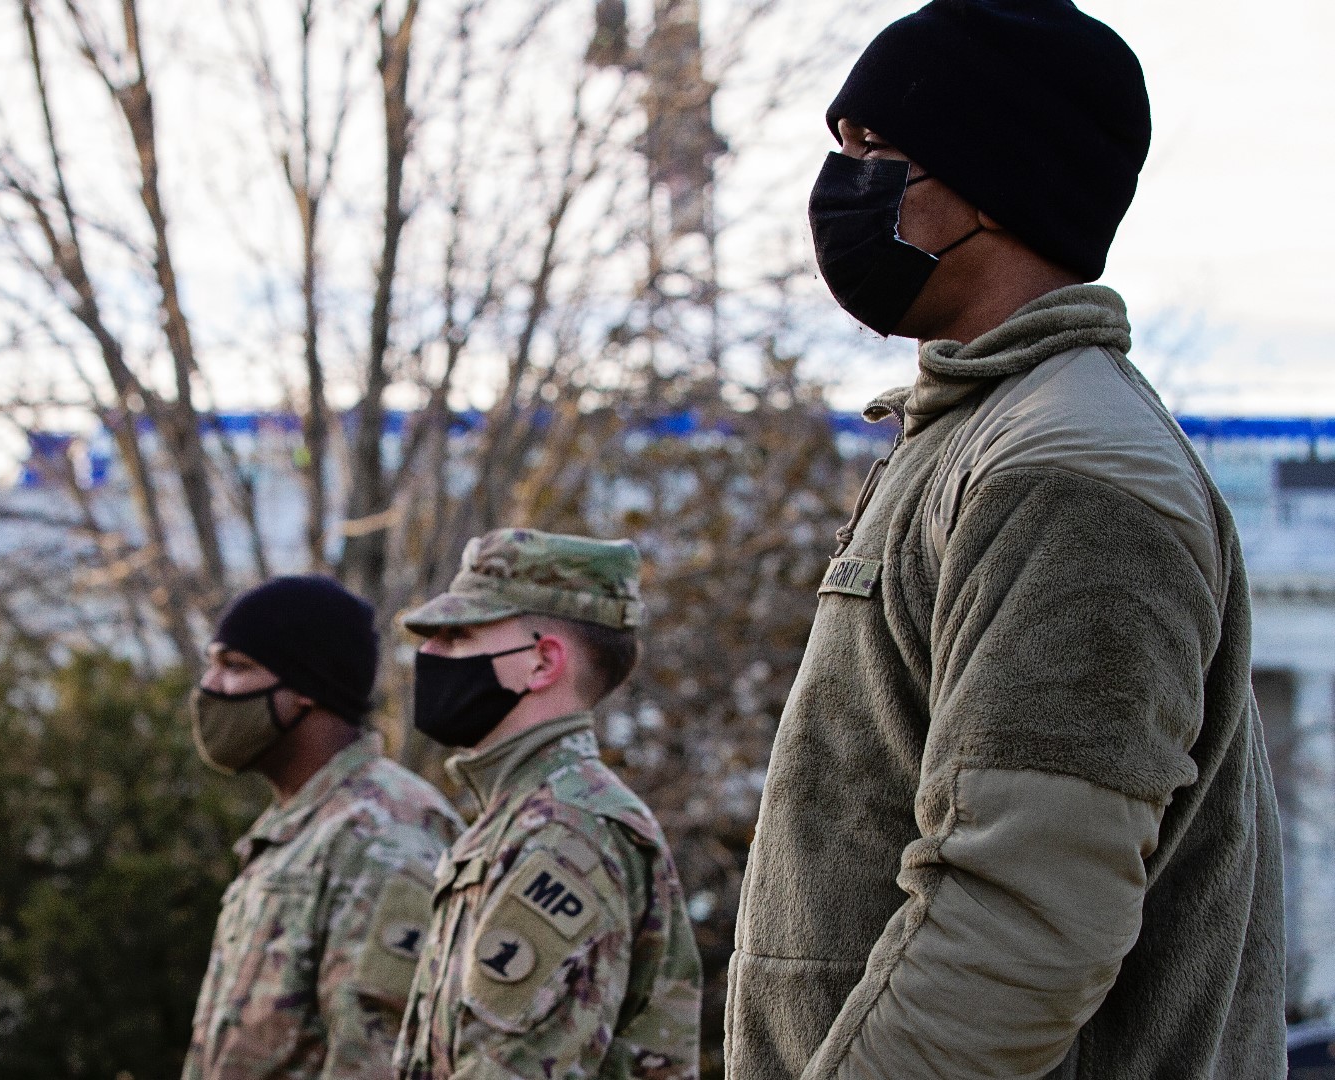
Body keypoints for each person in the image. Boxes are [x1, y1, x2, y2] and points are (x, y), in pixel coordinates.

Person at [726, 2, 1287, 1078]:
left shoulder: (1072, 471)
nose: (840, 185)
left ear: (988, 185)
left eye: (875, 153)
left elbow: (1022, 926)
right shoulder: (982, 438)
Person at [394, 528, 702, 1080]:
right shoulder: (517, 819)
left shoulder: (566, 832)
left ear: (542, 662)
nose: (428, 653)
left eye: (459, 634)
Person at [184, 575, 462, 1080]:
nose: (210, 686)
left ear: (306, 689)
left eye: (235, 666)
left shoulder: (382, 834)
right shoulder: (294, 829)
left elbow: (376, 1062)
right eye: (211, 664)